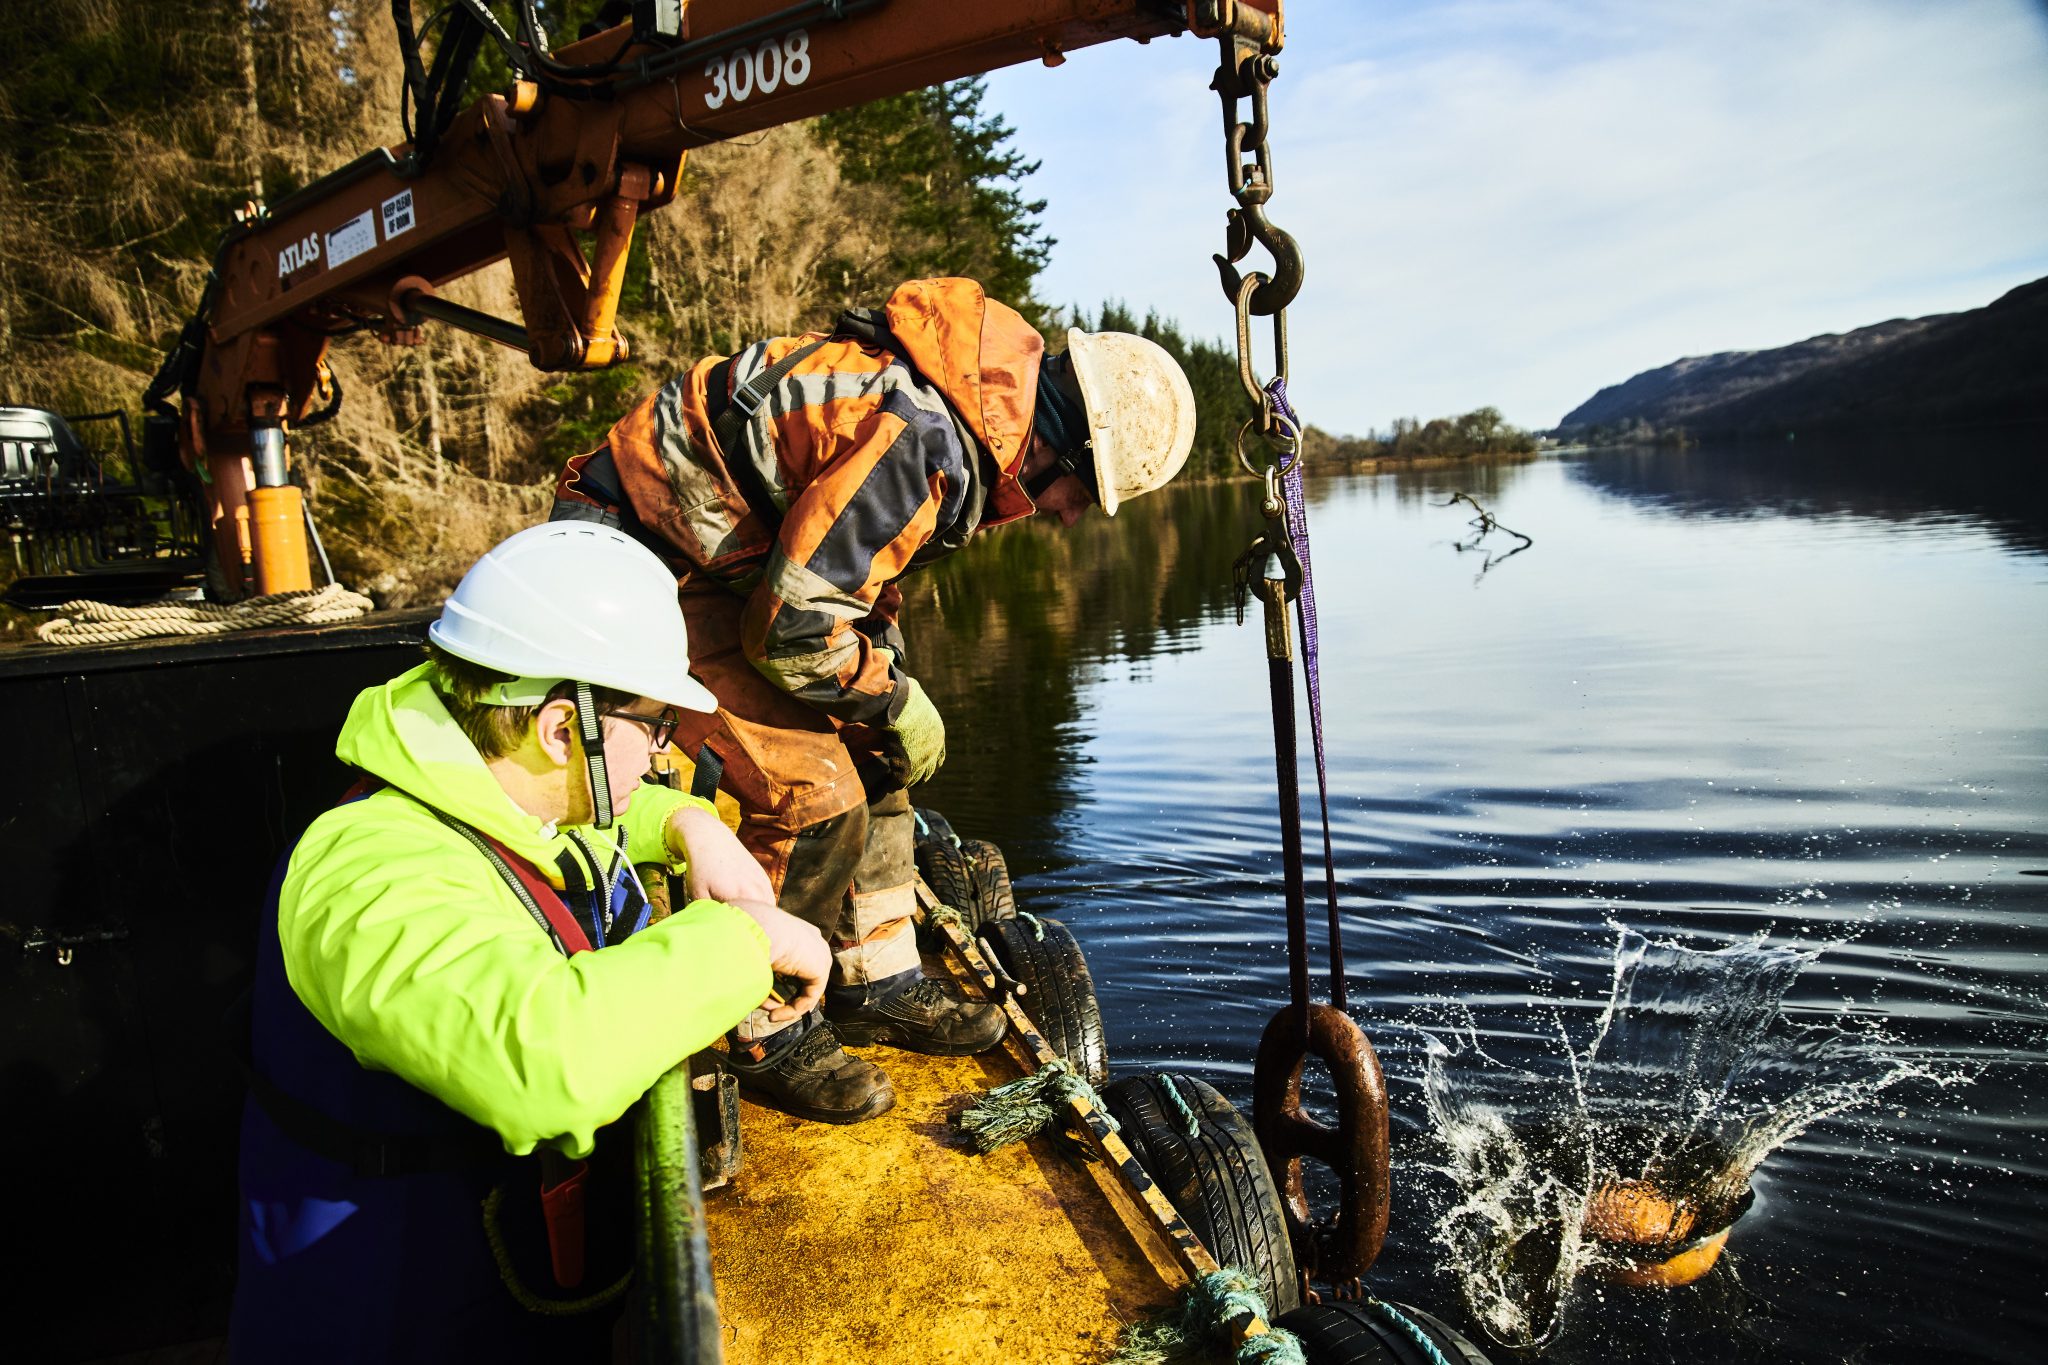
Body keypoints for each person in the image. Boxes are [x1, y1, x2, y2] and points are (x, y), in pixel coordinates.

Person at [549, 277, 1197, 1125]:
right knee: (814, 794)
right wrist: (893, 699)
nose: (1072, 518)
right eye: (1083, 492)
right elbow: (790, 630)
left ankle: (873, 979)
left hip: (726, 563)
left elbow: (847, 574)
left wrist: (884, 680)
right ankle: (761, 1019)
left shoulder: (956, 427)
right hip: (640, 562)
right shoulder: (924, 438)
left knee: (875, 751)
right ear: (1055, 445)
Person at [230, 522, 830, 1363]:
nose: (662, 755)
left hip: (477, 1287)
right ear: (559, 727)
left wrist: (689, 825)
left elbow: (585, 822)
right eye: (656, 726)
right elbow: (545, 1059)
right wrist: (743, 940)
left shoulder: (488, 783)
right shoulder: (367, 874)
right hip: (382, 1318)